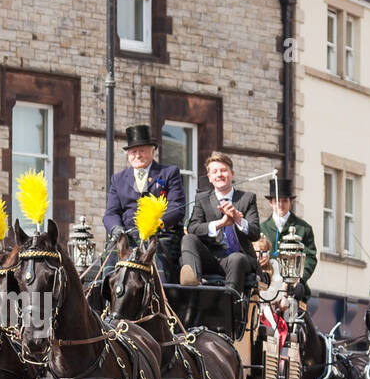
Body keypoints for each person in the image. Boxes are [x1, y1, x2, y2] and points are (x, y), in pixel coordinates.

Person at [99, 124, 187, 285]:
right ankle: (106, 306)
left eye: (142, 150)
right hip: (127, 234)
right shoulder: (117, 179)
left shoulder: (169, 173)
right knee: (109, 264)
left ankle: (162, 303)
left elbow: (178, 206)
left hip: (160, 235)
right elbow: (111, 213)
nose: (137, 155)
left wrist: (159, 223)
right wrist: (116, 229)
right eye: (133, 152)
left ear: (153, 151)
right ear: (128, 155)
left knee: (158, 262)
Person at [181, 152, 262, 294]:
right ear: (210, 177)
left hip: (239, 258)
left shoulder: (247, 198)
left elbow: (255, 233)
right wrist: (221, 223)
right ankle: (193, 288)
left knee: (236, 258)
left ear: (232, 173)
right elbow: (193, 227)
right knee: (188, 238)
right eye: (215, 172)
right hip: (211, 257)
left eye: (224, 170)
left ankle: (229, 304)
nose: (219, 175)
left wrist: (237, 219)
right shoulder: (202, 198)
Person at [259, 178, 317, 303]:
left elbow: (310, 258)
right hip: (268, 285)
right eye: (277, 201)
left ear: (290, 202)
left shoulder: (304, 228)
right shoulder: (261, 228)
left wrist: (299, 279)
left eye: (284, 201)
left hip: (293, 287)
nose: (280, 205)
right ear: (270, 202)